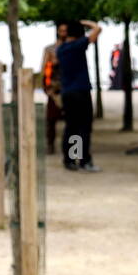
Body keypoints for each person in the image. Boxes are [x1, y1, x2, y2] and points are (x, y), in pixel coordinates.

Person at [56, 18, 103, 171]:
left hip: (67, 92)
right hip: (81, 91)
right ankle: (84, 160)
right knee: (84, 127)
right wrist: (87, 23)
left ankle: (69, 159)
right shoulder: (79, 45)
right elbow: (98, 30)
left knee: (71, 126)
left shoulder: (61, 49)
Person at [42, 25, 66, 154]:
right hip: (55, 88)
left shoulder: (72, 48)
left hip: (69, 88)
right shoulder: (50, 49)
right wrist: (47, 88)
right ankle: (50, 145)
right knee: (51, 120)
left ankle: (75, 152)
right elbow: (45, 69)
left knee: (73, 122)